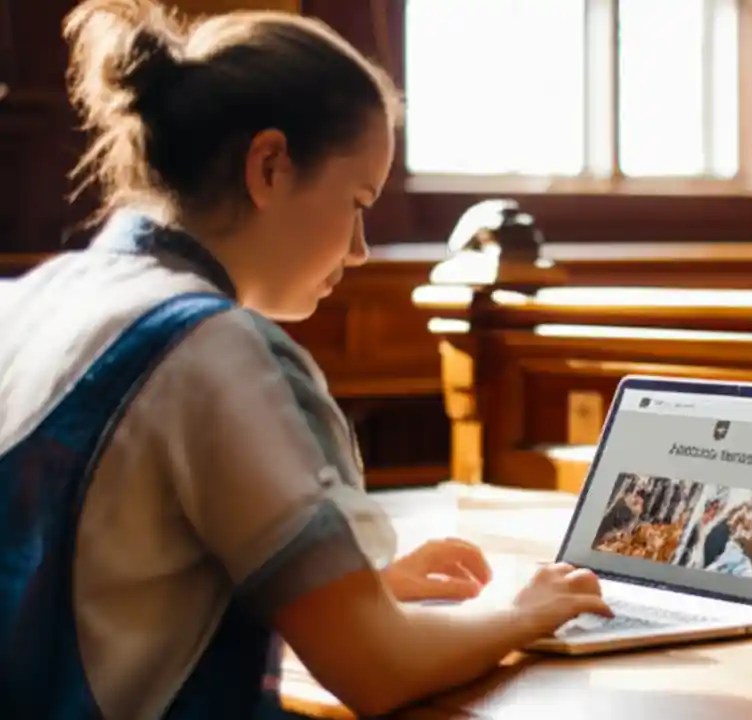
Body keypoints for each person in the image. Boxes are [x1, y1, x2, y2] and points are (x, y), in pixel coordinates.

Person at [0, 2, 610, 718]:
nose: (357, 249)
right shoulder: (213, 347)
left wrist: (355, 588)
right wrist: (523, 610)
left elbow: (117, 576)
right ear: (269, 166)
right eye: (356, 202)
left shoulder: (31, 298)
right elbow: (378, 667)